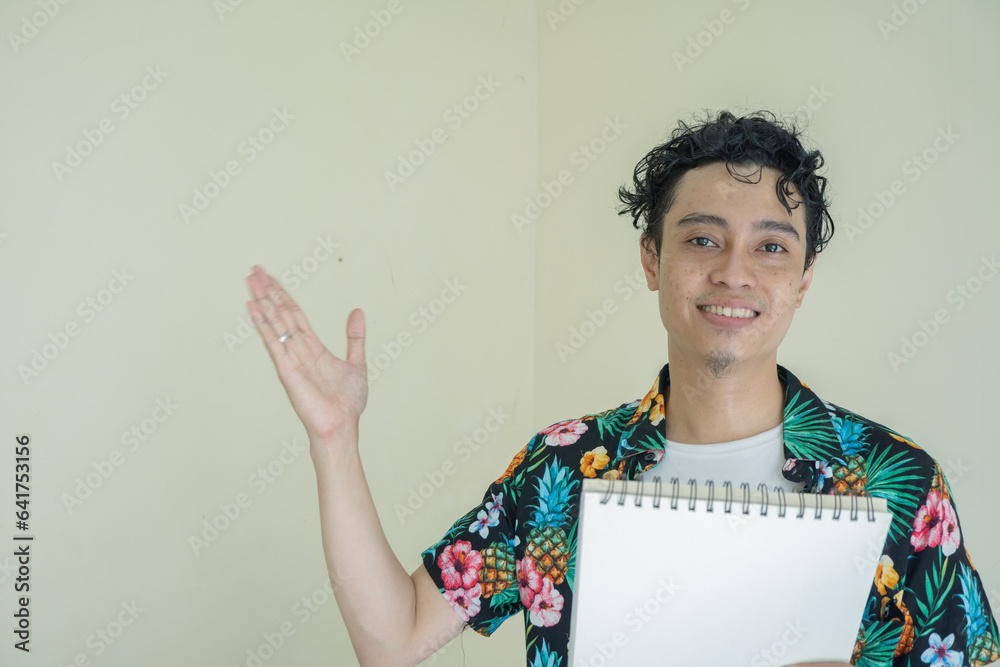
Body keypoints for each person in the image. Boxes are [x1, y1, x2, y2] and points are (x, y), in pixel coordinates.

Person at [245, 109, 999, 667]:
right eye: (702, 237)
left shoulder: (899, 483)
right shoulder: (562, 467)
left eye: (771, 246)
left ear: (801, 282)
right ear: (651, 259)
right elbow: (394, 636)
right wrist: (334, 439)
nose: (735, 271)